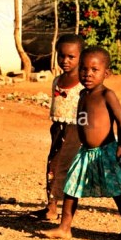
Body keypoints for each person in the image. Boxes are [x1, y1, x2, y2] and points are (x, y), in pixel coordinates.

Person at [40, 46, 121, 240]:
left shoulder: (107, 95)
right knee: (71, 187)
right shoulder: (82, 94)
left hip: (106, 151)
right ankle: (64, 228)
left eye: (94, 70)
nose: (87, 74)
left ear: (106, 73)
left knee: (117, 190)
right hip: (85, 152)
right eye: (83, 69)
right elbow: (82, 120)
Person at [29, 34, 84, 220]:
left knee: (67, 169)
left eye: (71, 57)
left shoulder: (84, 84)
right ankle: (51, 207)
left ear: (81, 57)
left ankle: (67, 213)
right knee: (52, 165)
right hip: (58, 129)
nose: (65, 61)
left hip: (76, 131)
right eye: (61, 56)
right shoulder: (57, 80)